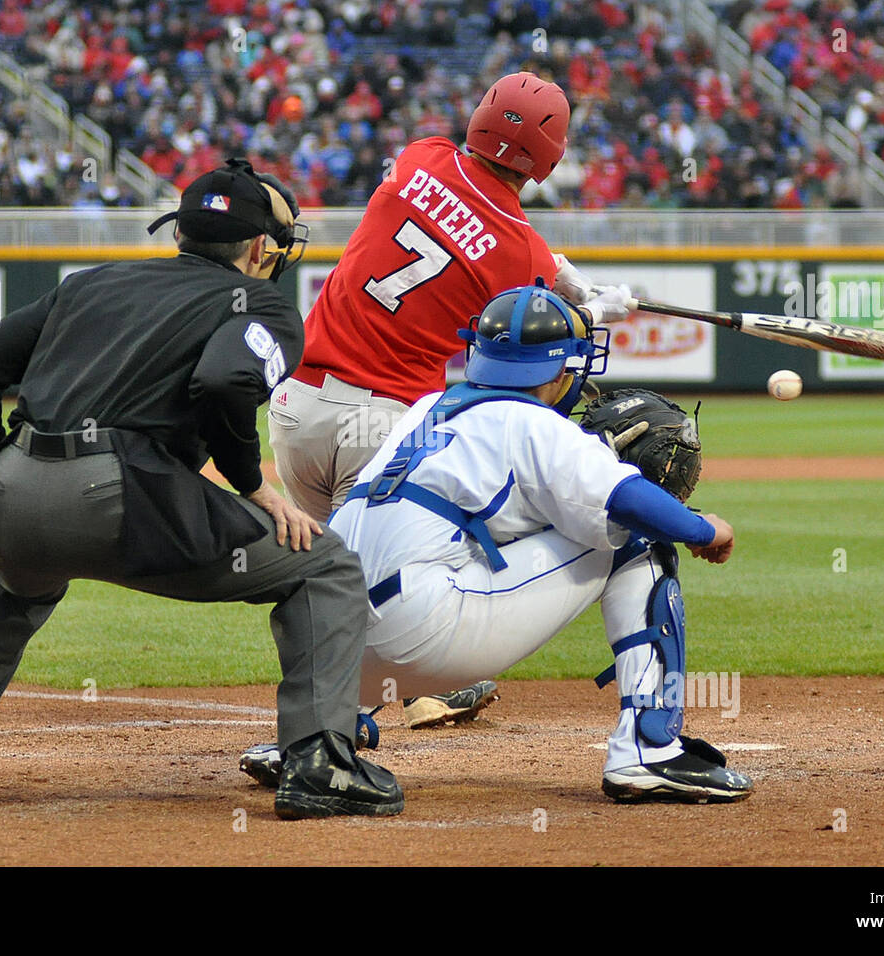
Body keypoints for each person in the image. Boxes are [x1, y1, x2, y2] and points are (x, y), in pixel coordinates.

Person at [0, 159, 403, 820]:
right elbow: (224, 382)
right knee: (324, 568)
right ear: (257, 249)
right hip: (120, 494)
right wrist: (254, 486)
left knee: (11, 584)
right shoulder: (263, 302)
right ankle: (320, 761)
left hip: (12, 494)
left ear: (182, 233)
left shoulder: (91, 282)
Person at [243, 283, 753, 804]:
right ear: (559, 370)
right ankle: (649, 747)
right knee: (640, 538)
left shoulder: (424, 409)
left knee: (447, 542)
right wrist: (706, 530)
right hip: (422, 633)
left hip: (332, 649)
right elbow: (627, 499)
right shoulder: (528, 421)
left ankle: (318, 740)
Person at [269, 71, 633, 729]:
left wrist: (557, 271)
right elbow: (530, 301)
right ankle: (363, 710)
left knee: (331, 580)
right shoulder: (519, 253)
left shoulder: (420, 156)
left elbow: (464, 215)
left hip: (296, 410)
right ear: (549, 159)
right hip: (380, 424)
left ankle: (381, 700)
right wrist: (592, 303)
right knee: (456, 541)